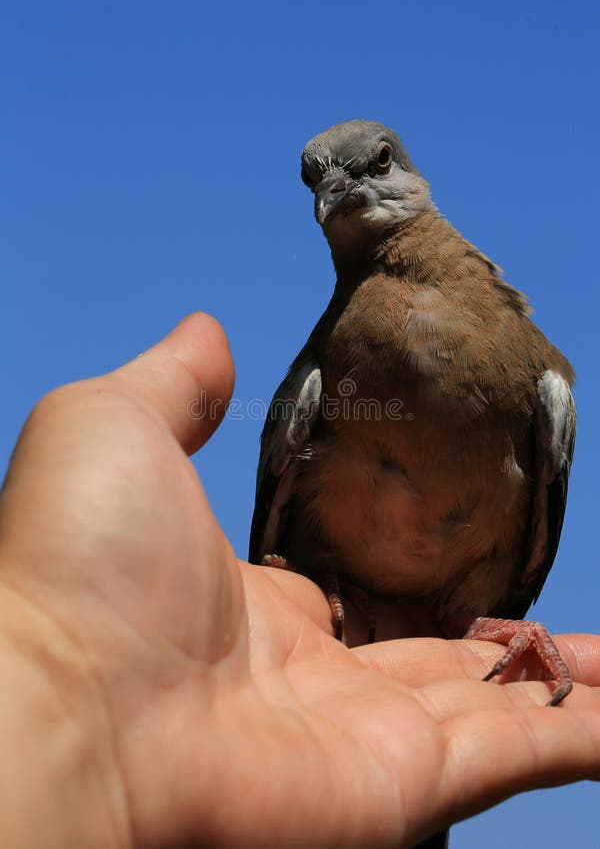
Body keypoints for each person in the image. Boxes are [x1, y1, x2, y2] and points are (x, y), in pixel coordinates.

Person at [0, 312, 598, 848]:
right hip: (325, 628)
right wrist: (66, 676)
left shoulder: (536, 379)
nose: (338, 192)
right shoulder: (325, 370)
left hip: (441, 634)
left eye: (376, 176)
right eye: (320, 183)